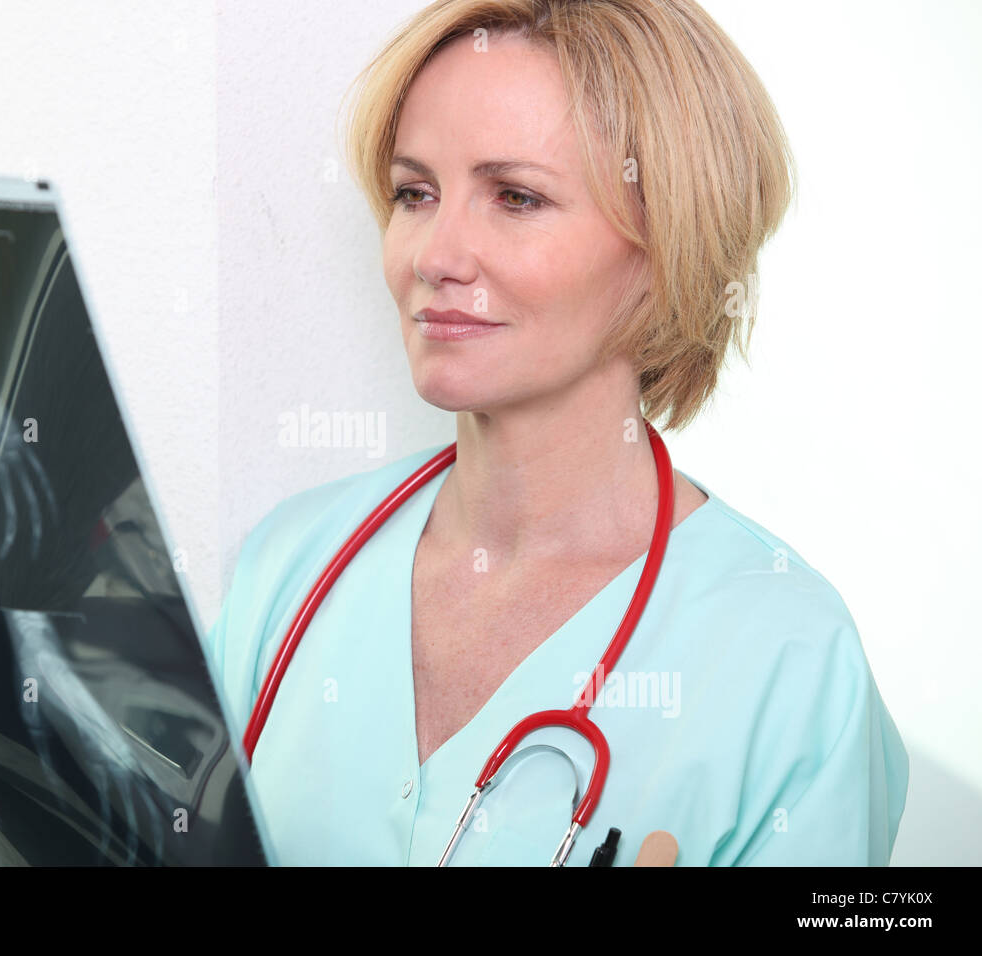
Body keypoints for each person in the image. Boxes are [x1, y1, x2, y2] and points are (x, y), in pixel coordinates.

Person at [204, 0, 908, 865]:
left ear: (668, 249)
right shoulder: (295, 563)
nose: (435, 253)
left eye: (517, 197)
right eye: (414, 193)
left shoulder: (790, 662)